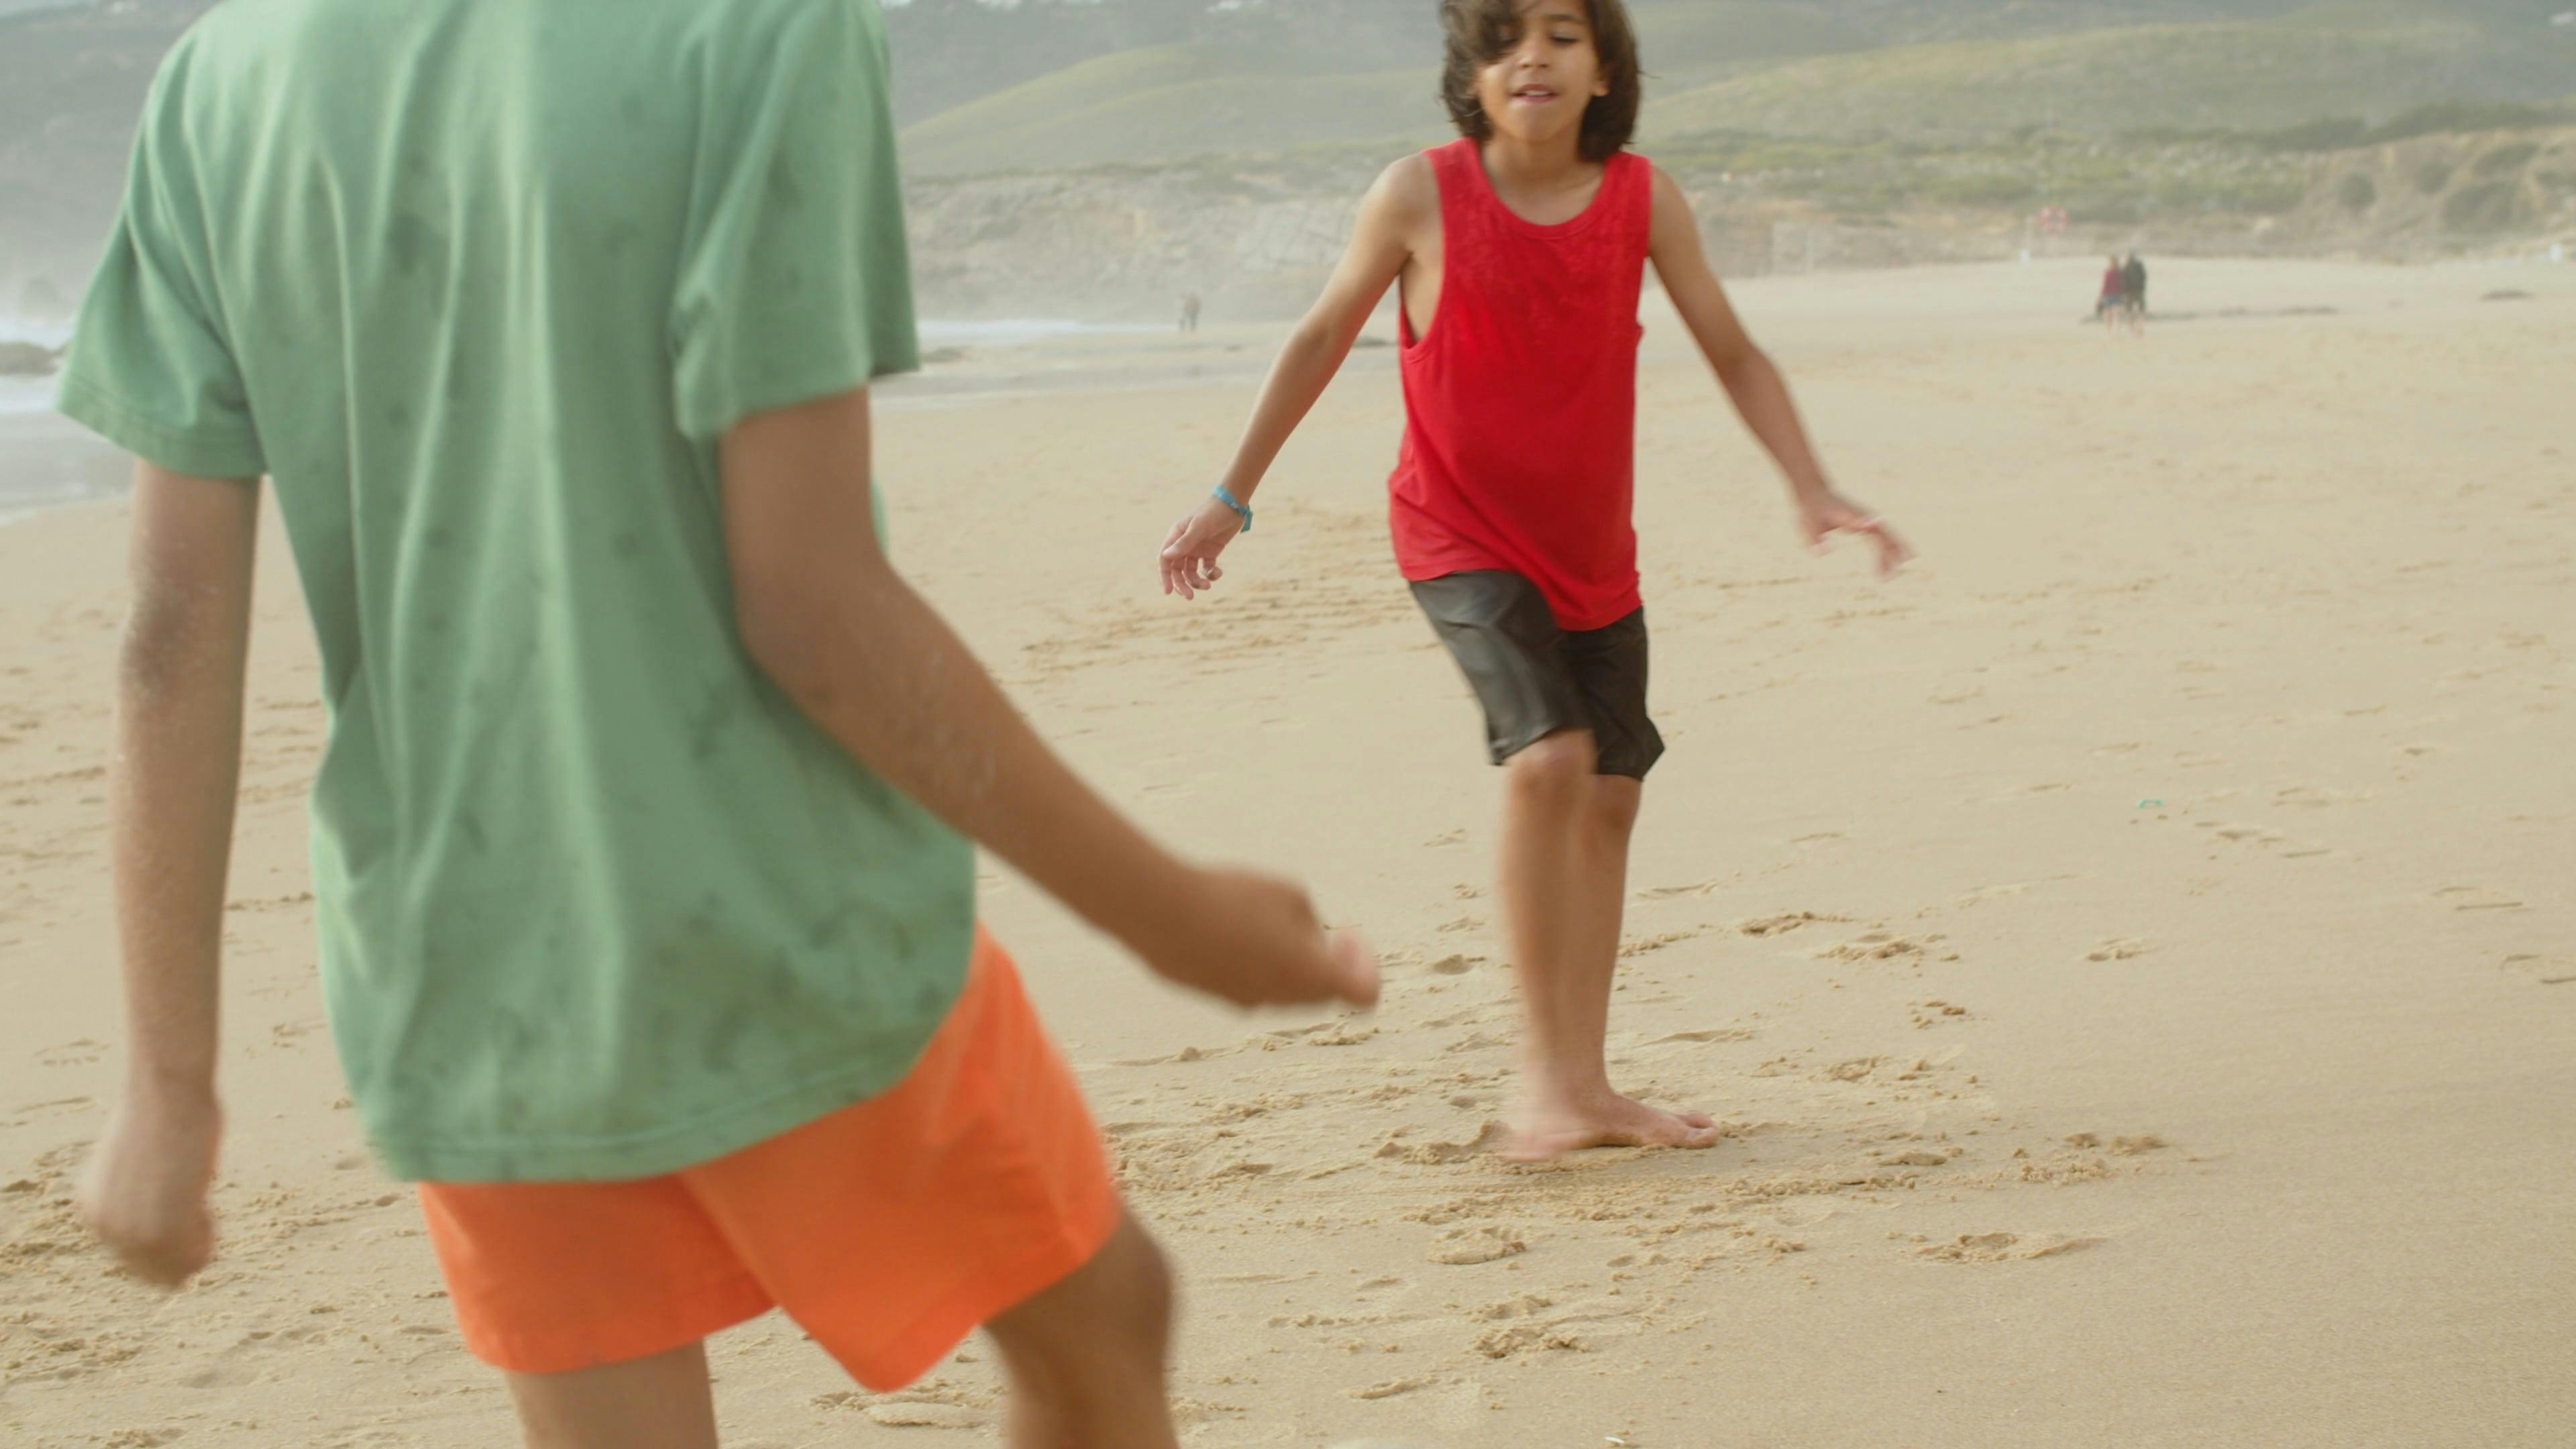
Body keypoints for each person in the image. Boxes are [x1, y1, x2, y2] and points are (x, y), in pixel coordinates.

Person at [58, 2, 1375, 1446]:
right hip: (781, 919)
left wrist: (167, 1087)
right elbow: (810, 609)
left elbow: (170, 635)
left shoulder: (222, 80)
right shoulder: (760, 25)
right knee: (1100, 1328)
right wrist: (1168, 914)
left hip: (467, 969)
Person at [1155, 0, 1909, 1161]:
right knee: (1549, 760)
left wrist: (1810, 484)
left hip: (1593, 552)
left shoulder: (1642, 198)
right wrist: (1230, 494)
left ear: (1607, 67)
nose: (1533, 58)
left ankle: (1590, 1085)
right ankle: (1537, 1085)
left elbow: (1732, 348)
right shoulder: (1421, 194)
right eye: (1503, 39)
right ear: (1473, 74)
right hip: (1457, 534)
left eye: (1562, 32)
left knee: (1609, 794)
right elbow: (1315, 339)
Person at [2121, 251, 2149, 335]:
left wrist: (2124, 292)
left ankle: (2132, 328)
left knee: (2130, 311)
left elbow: (2123, 281)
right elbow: (2144, 277)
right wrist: (2142, 288)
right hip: (2139, 291)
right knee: (2141, 310)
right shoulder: (2140, 266)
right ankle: (2140, 327)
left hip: (2129, 292)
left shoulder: (2126, 268)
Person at [2098, 254, 2127, 331]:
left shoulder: (2108, 272)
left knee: (2108, 315)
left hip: (2108, 295)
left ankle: (2109, 330)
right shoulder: (2120, 273)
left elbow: (2105, 285)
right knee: (2117, 314)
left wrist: (2101, 296)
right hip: (2117, 294)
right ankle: (2117, 330)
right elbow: (2123, 284)